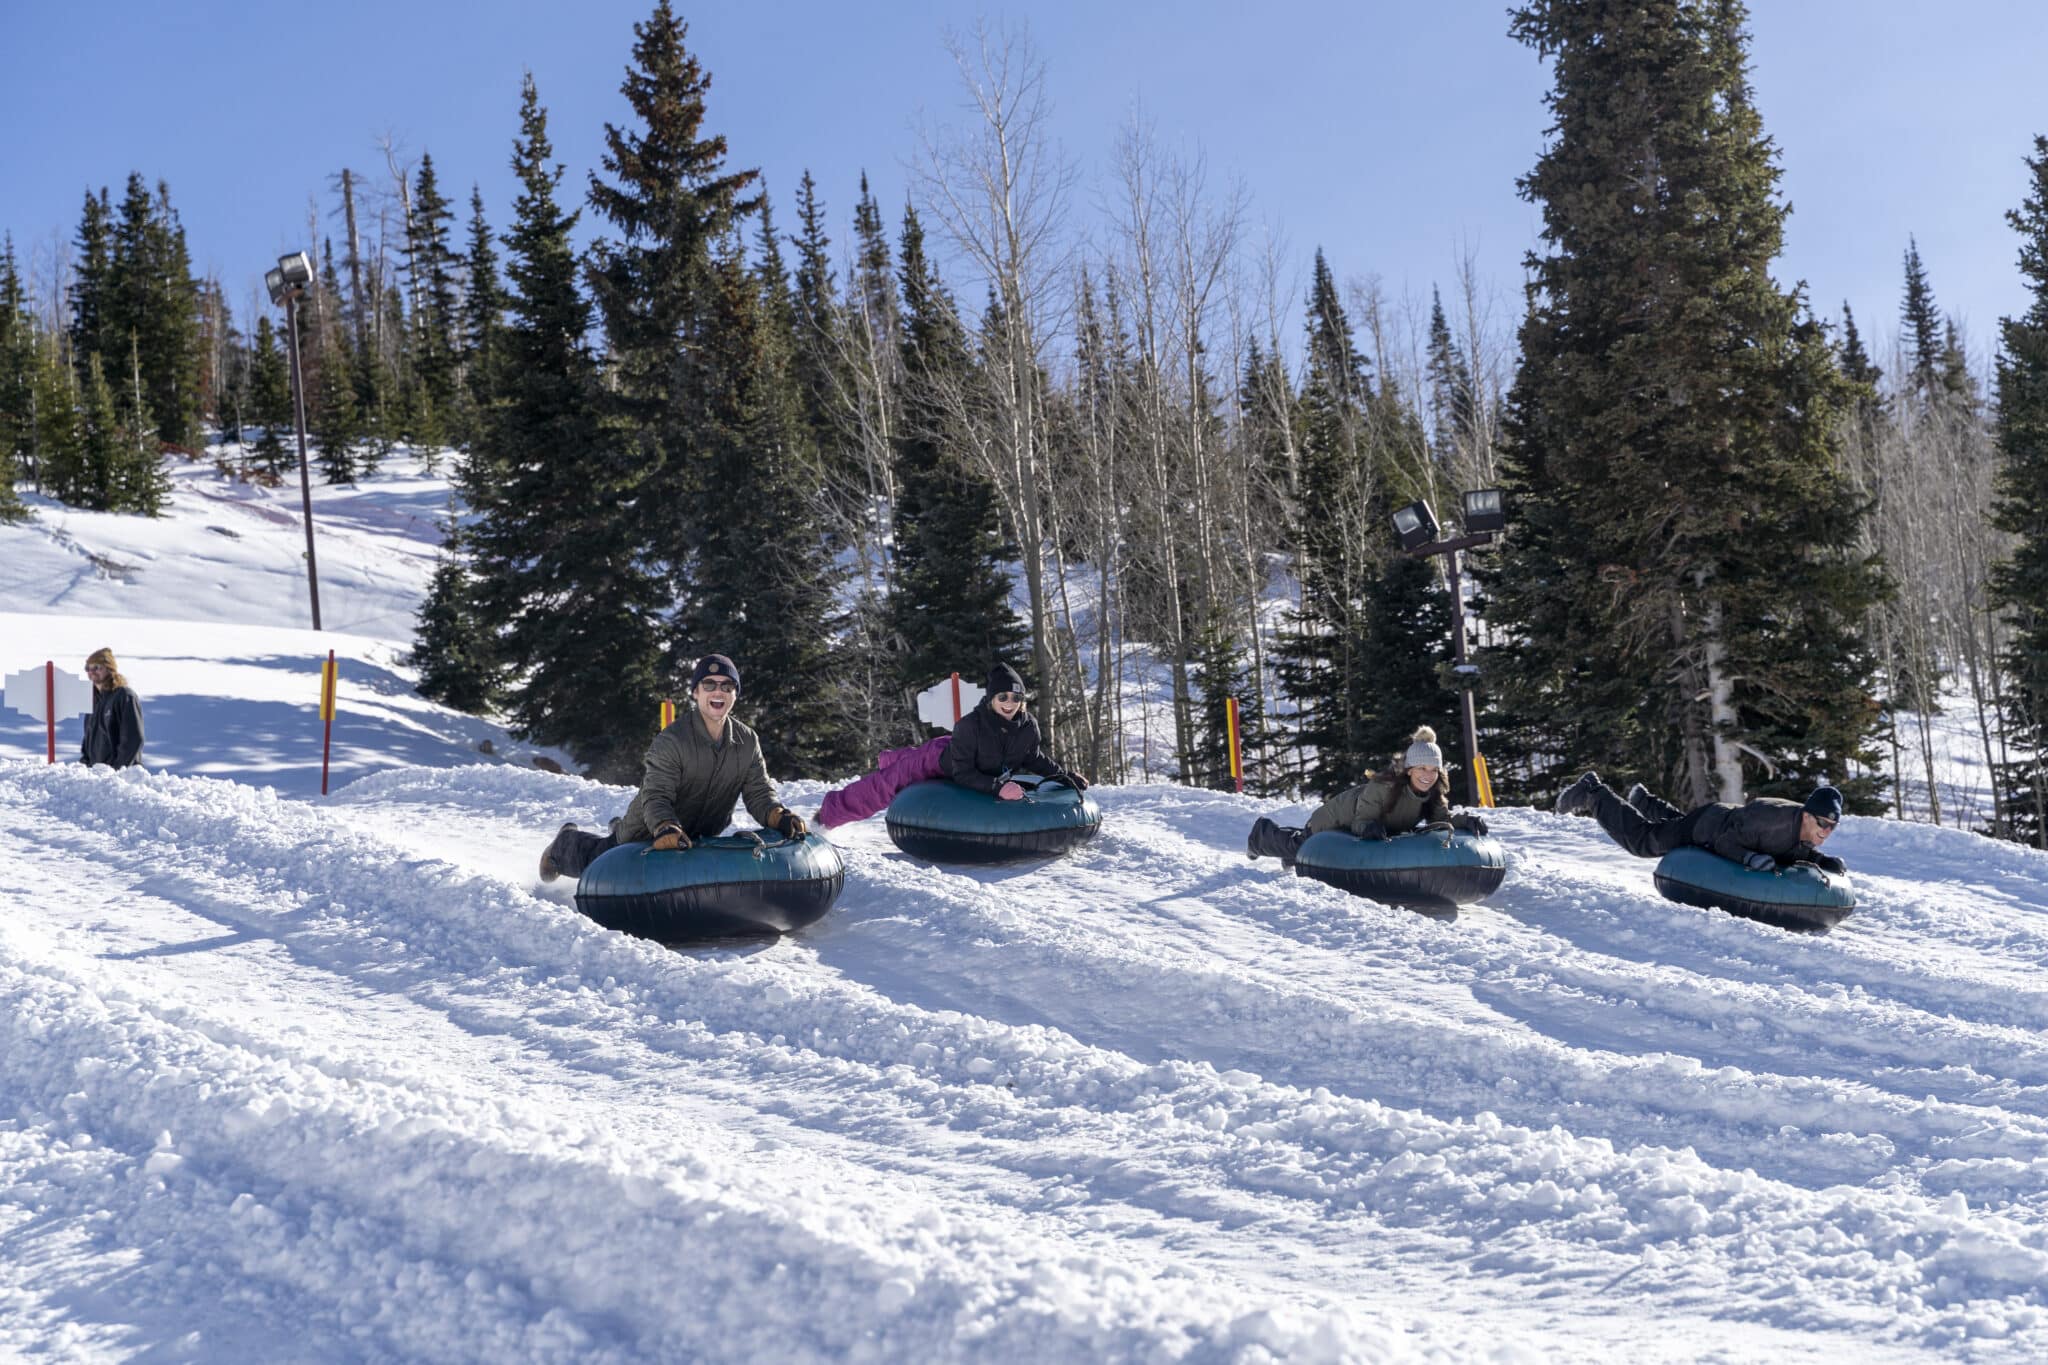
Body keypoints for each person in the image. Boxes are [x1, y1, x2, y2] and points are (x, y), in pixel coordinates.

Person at [538, 654, 809, 882]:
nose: (718, 691)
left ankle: (616, 827)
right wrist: (664, 826)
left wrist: (777, 815)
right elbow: (657, 795)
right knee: (602, 859)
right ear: (696, 692)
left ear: (735, 694)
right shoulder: (673, 740)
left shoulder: (747, 741)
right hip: (648, 830)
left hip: (697, 836)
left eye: (727, 686)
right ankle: (563, 844)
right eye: (709, 684)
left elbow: (759, 791)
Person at [1247, 726, 1488, 865]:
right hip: (1336, 818)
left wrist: (1465, 820)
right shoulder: (1384, 787)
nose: (1428, 775)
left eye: (1434, 770)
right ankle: (1260, 836)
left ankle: (1292, 857)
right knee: (1301, 845)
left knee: (1303, 850)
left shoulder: (1432, 793)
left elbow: (1441, 819)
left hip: (1359, 828)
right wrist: (1369, 828)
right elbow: (1361, 821)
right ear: (1409, 770)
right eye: (1422, 769)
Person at [1554, 770, 1847, 874]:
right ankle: (1593, 792)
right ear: (1807, 815)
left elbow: (1794, 851)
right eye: (1823, 824)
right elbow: (1725, 843)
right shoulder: (1771, 822)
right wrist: (1749, 858)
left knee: (1674, 828)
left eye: (1832, 827)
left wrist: (1822, 861)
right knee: (1644, 841)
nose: (1826, 832)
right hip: (1708, 827)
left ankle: (1644, 801)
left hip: (1727, 818)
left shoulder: (1803, 829)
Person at [940, 662, 1088, 800]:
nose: (1009, 703)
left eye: (1016, 697)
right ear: (991, 699)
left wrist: (1065, 776)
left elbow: (1034, 758)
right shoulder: (969, 726)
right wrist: (997, 787)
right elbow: (962, 772)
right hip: (942, 764)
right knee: (926, 758)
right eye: (1003, 697)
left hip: (984, 771)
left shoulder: (1027, 727)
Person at [80, 647, 145, 769]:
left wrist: (117, 770)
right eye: (88, 668)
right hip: (97, 774)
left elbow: (133, 738)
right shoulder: (94, 701)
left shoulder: (124, 696)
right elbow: (87, 742)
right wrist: (85, 767)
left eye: (97, 667)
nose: (91, 671)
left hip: (121, 775)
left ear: (110, 669)